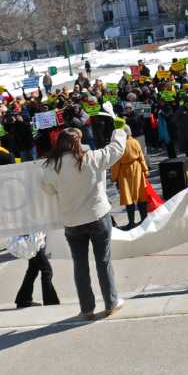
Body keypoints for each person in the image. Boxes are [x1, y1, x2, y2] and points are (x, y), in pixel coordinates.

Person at [40, 124, 127, 320]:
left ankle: (87, 308)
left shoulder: (51, 166)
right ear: (77, 142)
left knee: (80, 265)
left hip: (72, 221)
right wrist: (119, 131)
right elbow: (116, 149)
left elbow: (48, 190)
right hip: (97, 216)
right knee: (103, 261)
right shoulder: (91, 158)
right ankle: (111, 303)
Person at [111, 125, 150, 230]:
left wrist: (114, 177)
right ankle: (144, 219)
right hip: (137, 169)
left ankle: (131, 222)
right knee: (141, 195)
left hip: (124, 172)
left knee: (129, 198)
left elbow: (116, 164)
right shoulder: (135, 142)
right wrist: (145, 170)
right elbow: (142, 157)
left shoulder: (119, 145)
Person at [13, 231, 60, 309]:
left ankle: (23, 299)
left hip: (36, 239)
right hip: (33, 240)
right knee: (47, 270)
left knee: (33, 270)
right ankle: (50, 301)